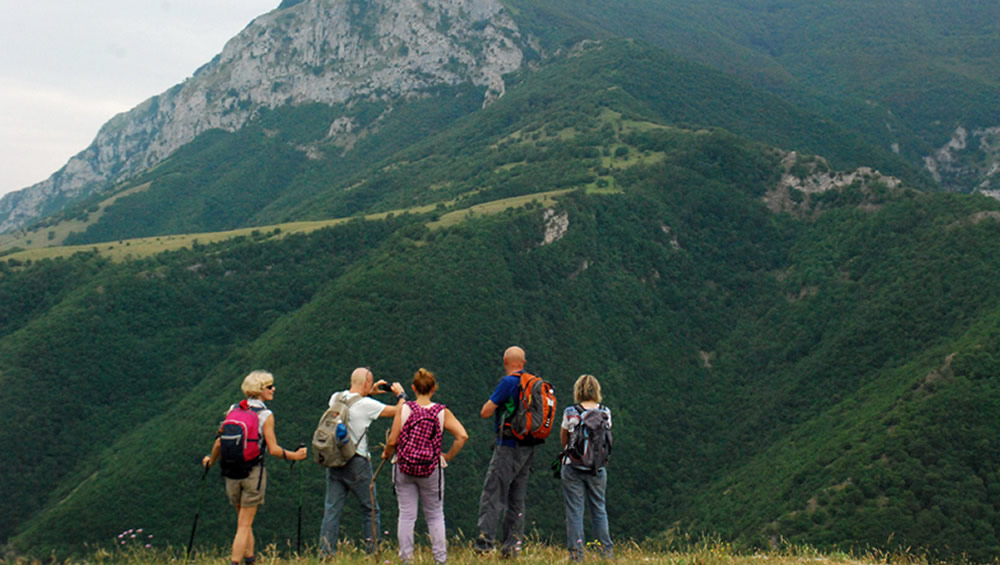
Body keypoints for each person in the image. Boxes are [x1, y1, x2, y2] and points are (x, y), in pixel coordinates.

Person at [202, 370, 308, 565]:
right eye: (269, 386)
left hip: (230, 473)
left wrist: (211, 461)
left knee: (243, 521)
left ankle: (250, 559)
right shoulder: (265, 414)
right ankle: (235, 562)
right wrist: (296, 456)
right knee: (244, 525)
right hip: (252, 473)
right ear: (260, 390)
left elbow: (219, 443)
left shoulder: (233, 409)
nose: (273, 389)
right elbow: (274, 449)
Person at [382, 368, 468, 564]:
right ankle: (440, 560)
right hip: (431, 469)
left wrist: (386, 454)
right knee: (435, 515)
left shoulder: (404, 409)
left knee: (406, 515)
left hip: (404, 467)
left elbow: (393, 440)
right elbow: (462, 436)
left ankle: (406, 559)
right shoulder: (441, 412)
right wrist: (446, 457)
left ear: (413, 388)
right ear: (433, 389)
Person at [319, 367, 406, 557]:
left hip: (335, 460)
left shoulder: (335, 398)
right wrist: (401, 395)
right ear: (367, 383)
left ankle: (326, 554)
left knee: (331, 510)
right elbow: (399, 411)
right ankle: (373, 553)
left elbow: (352, 398)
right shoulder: (367, 405)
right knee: (370, 509)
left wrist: (369, 390)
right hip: (357, 461)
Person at [474, 345, 537, 557]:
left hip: (507, 447)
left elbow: (485, 411)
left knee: (493, 494)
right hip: (528, 448)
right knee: (517, 499)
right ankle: (512, 548)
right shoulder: (533, 384)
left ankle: (485, 545)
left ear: (504, 362)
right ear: (524, 363)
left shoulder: (509, 382)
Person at [560, 374, 613, 561]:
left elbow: (564, 438)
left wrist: (571, 453)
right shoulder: (605, 412)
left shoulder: (570, 412)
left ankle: (576, 555)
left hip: (572, 467)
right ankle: (606, 553)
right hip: (597, 468)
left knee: (575, 511)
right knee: (599, 509)